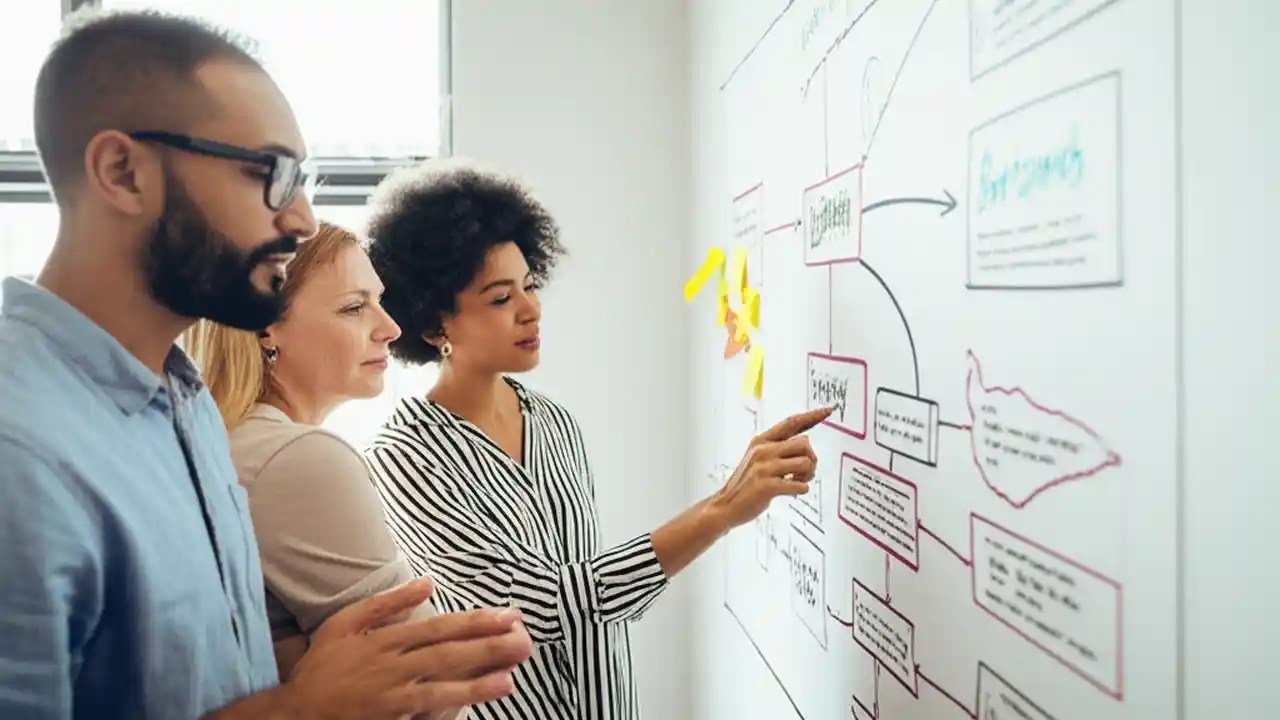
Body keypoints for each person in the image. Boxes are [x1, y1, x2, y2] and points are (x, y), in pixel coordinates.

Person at [0, 10, 531, 719]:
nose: (304, 218)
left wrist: (291, 678)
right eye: (272, 175)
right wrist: (301, 710)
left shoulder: (183, 405)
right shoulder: (19, 447)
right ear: (123, 172)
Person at [359, 157, 834, 720]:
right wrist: (721, 510)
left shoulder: (554, 424)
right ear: (436, 325)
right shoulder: (404, 457)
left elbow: (605, 593)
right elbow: (542, 609)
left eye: (529, 286)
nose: (532, 310)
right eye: (500, 298)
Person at [183, 220, 459, 717]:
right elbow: (428, 684)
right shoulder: (296, 458)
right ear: (266, 326)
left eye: (379, 300)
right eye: (354, 308)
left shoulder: (226, 443)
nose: (390, 329)